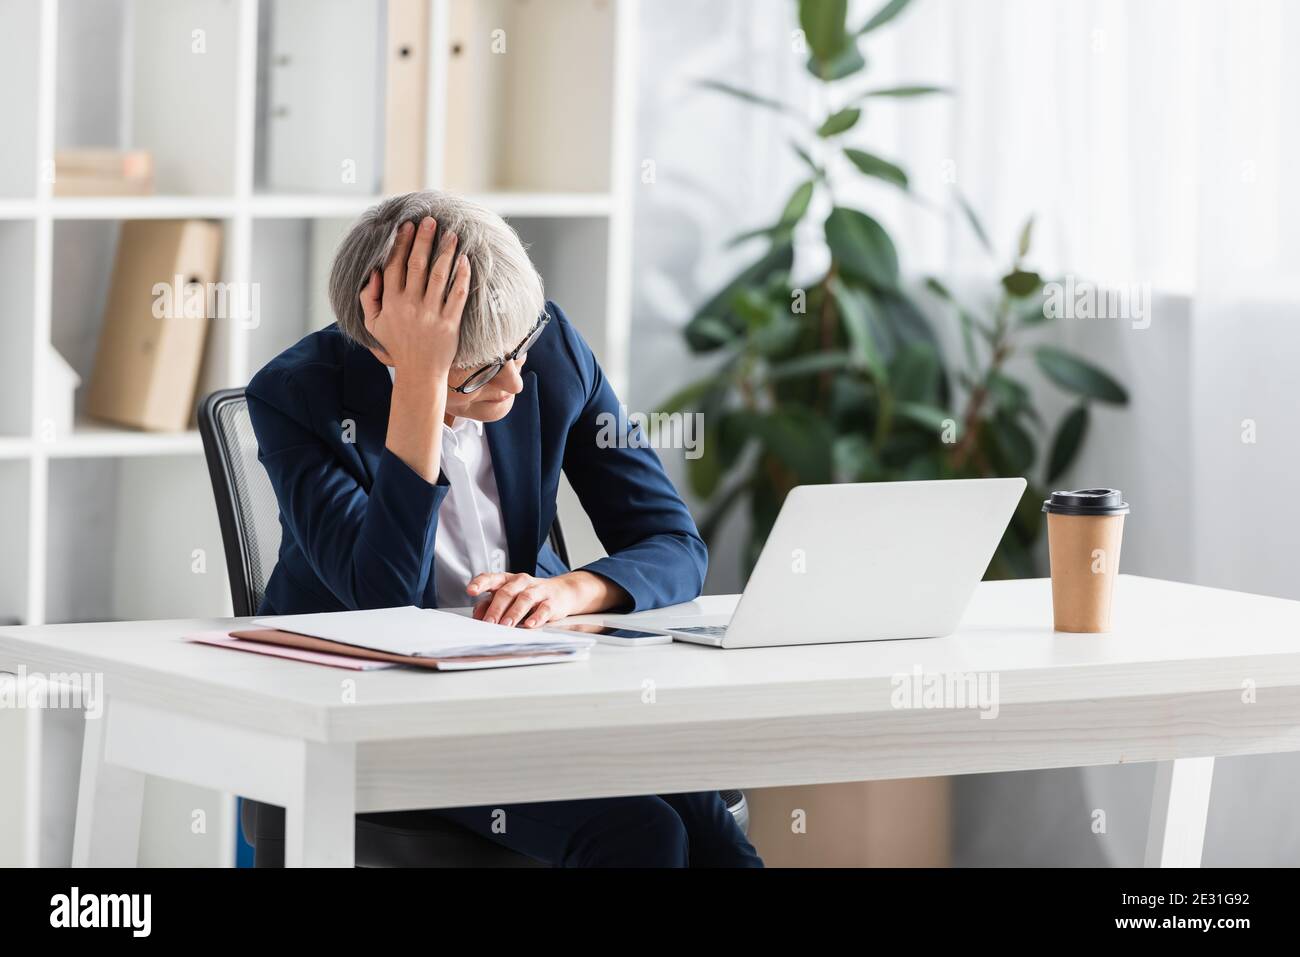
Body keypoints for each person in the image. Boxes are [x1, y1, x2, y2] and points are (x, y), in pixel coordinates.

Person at [246, 190, 762, 867]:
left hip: (532, 689)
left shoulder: (544, 350)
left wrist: (571, 591)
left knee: (702, 813)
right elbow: (383, 598)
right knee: (642, 831)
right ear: (385, 348)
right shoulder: (295, 397)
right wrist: (422, 390)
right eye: (486, 368)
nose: (516, 381)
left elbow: (672, 542)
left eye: (518, 348)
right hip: (377, 713)